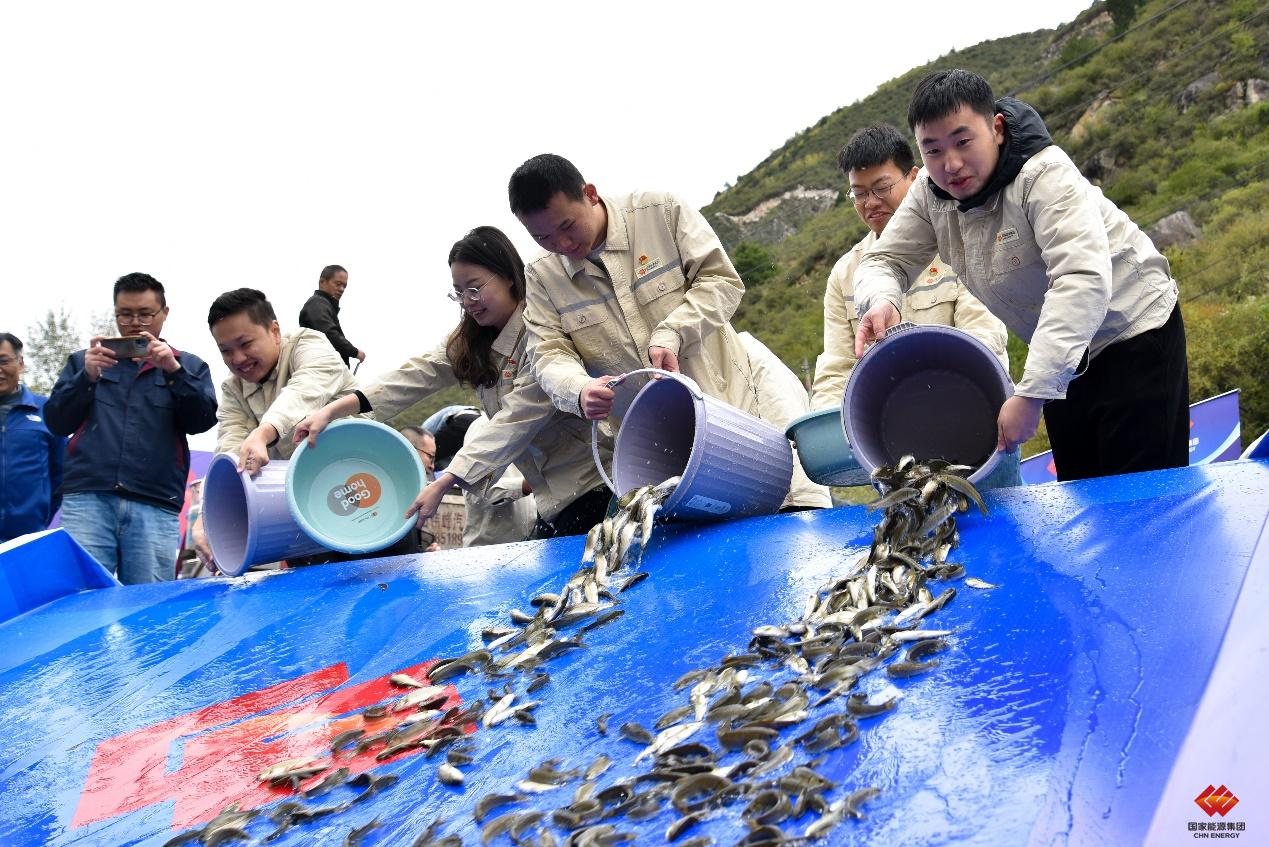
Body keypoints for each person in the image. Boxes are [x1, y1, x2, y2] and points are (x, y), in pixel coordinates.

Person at [852, 70, 1187, 482]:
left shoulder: (1043, 174)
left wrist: (1030, 394)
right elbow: (883, 260)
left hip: (1134, 333)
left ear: (994, 128)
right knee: (1083, 488)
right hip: (1065, 354)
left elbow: (1080, 278)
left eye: (962, 141)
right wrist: (883, 298)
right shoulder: (930, 194)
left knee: (1141, 498)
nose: (951, 164)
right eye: (933, 150)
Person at [508, 153, 829, 509]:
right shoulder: (541, 277)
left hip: (735, 414)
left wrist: (674, 331)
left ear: (590, 194)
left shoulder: (660, 213)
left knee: (782, 519)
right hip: (658, 450)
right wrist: (578, 389)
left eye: (567, 227)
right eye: (543, 237)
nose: (562, 245)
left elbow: (722, 281)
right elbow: (548, 354)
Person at [295, 225, 615, 539]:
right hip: (554, 499)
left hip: (595, 483)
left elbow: (514, 421)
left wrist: (445, 480)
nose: (467, 300)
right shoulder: (470, 342)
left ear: (507, 275)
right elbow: (412, 376)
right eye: (459, 292)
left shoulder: (543, 333)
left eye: (474, 288)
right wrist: (332, 411)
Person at [813, 124, 1020, 488]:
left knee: (1000, 526)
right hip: (892, 449)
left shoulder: (959, 240)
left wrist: (948, 404)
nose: (870, 203)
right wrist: (825, 427)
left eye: (881, 187)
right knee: (910, 540)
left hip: (981, 427)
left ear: (913, 177)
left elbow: (985, 333)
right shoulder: (845, 274)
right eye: (859, 193)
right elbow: (837, 366)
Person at [44, 273, 218, 583]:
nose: (135, 322)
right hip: (87, 498)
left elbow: (202, 421)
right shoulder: (85, 362)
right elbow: (57, 421)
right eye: (125, 314)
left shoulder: (188, 365)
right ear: (115, 314)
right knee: (78, 601)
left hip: (156, 502)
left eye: (145, 314)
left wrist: (174, 373)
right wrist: (86, 377)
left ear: (164, 313)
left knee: (150, 610)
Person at [190, 288, 358, 568]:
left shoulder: (310, 344)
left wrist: (263, 432)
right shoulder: (233, 389)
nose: (238, 358)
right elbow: (230, 449)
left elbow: (305, 390)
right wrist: (207, 519)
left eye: (245, 343)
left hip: (365, 491)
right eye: (226, 351)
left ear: (275, 330)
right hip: (308, 516)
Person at [0, 333, 65, 543]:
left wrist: (40, 515)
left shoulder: (47, 410)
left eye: (3, 361)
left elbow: (61, 474)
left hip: (27, 538)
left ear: (21, 364)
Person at [299, 264, 365, 368]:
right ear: (322, 282)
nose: (342, 289)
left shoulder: (325, 305)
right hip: (321, 369)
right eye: (338, 284)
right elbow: (328, 333)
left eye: (344, 286)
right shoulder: (317, 303)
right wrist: (355, 352)